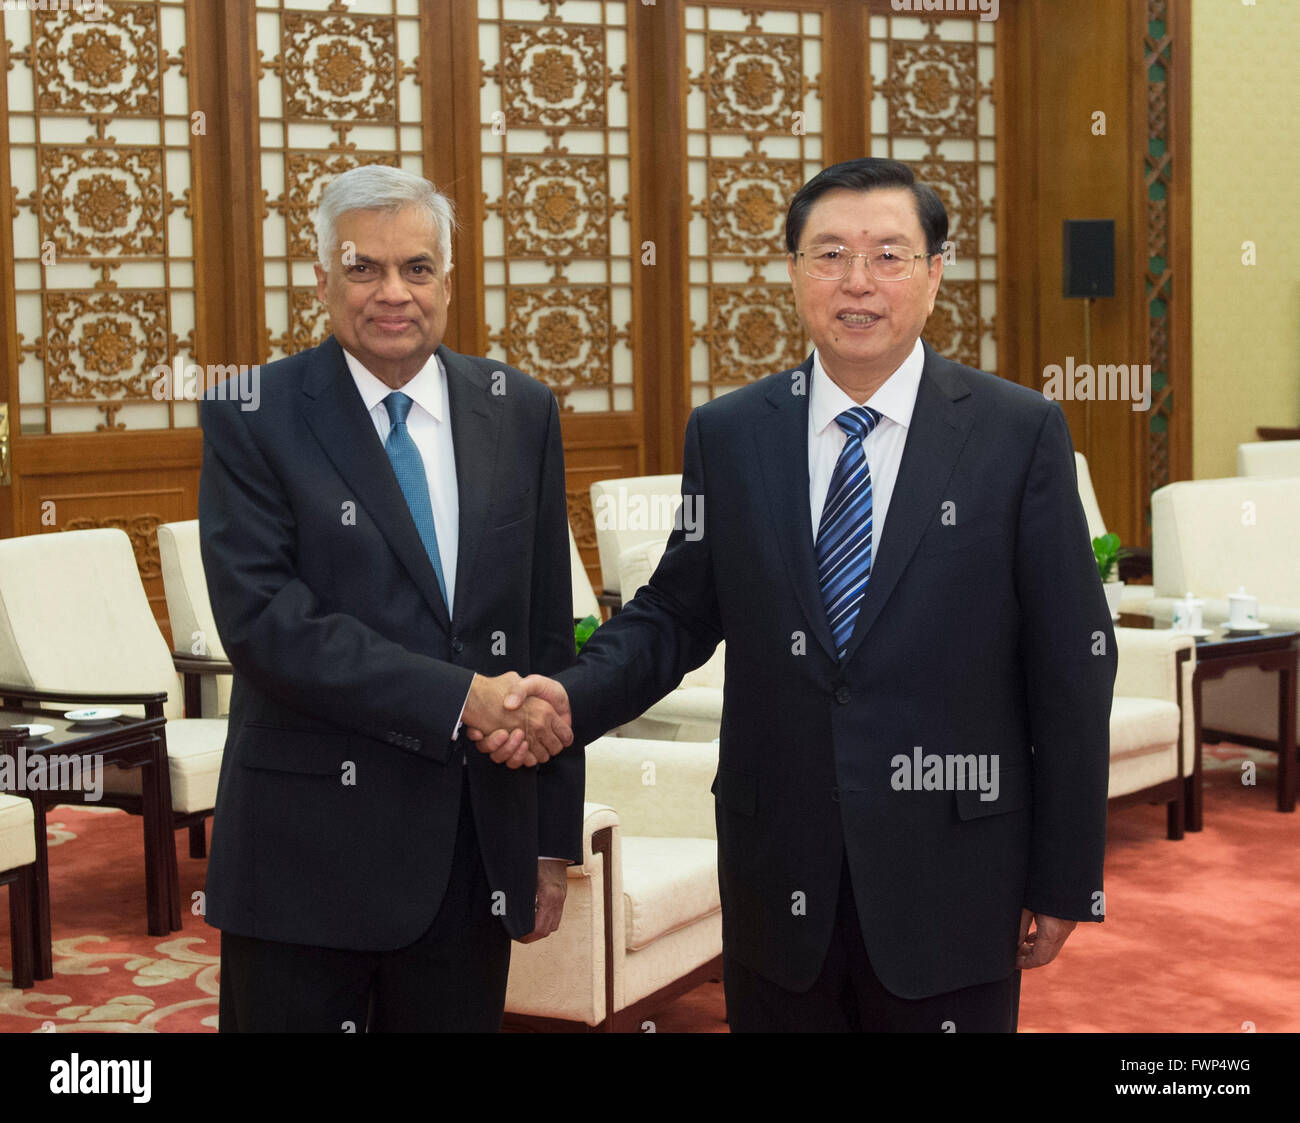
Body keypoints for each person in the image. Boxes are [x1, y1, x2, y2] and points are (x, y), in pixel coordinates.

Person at [473, 158, 1115, 1032]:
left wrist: (1065, 870)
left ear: (934, 274)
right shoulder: (733, 434)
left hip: (956, 869)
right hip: (780, 868)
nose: (858, 281)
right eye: (829, 255)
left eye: (890, 254)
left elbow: (1074, 666)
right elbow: (675, 613)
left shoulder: (1018, 433)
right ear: (792, 272)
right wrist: (565, 698)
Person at [200, 164, 581, 1032]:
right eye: (363, 268)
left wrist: (550, 839)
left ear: (448, 277)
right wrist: (459, 697)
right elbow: (266, 624)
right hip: (304, 857)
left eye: (416, 267)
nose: (392, 293)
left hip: (468, 850)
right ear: (322, 280)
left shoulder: (518, 409)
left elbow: (545, 632)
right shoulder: (253, 412)